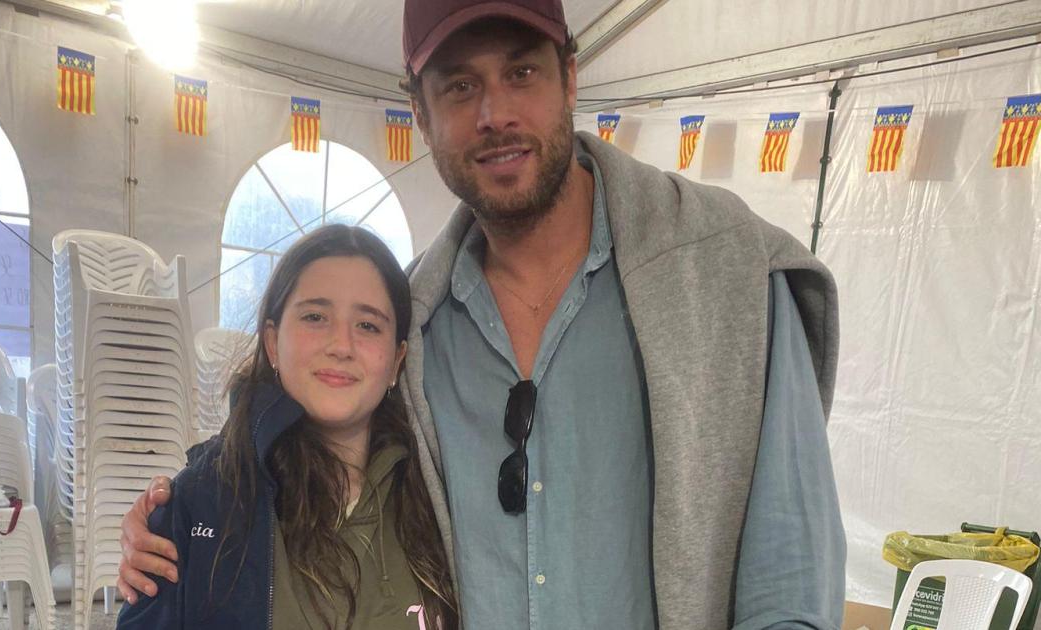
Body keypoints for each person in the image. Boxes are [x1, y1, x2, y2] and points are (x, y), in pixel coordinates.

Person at [119, 0, 847, 627]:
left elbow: (790, 574)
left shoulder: (729, 271)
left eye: (521, 71)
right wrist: (179, 513)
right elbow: (294, 427)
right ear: (421, 112)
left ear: (569, 74)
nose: (495, 114)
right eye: (460, 85)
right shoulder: (415, 322)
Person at [116, 225, 458, 630]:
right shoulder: (201, 499)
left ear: (397, 361)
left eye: (368, 325)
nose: (341, 345)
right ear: (273, 342)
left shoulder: (437, 495)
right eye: (315, 316)